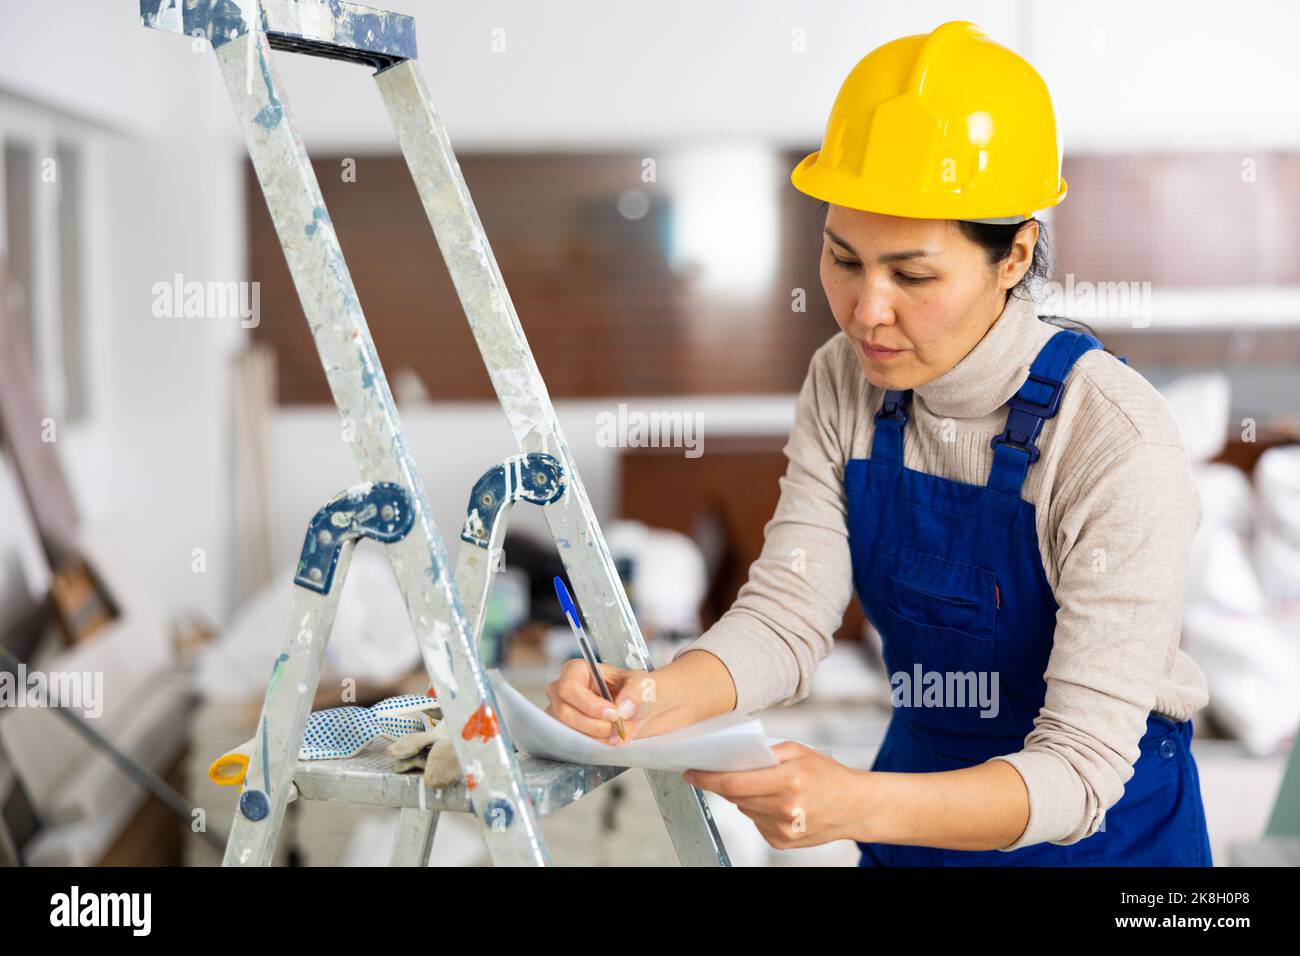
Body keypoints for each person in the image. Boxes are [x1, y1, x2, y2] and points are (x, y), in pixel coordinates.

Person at [544, 20, 1213, 866]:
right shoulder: (846, 380)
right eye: (843, 259)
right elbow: (788, 618)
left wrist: (852, 801)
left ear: (1014, 254)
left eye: (913, 274)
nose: (867, 311)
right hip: (913, 812)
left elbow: (1079, 771)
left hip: (1103, 838)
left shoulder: (1114, 440)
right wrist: (651, 696)